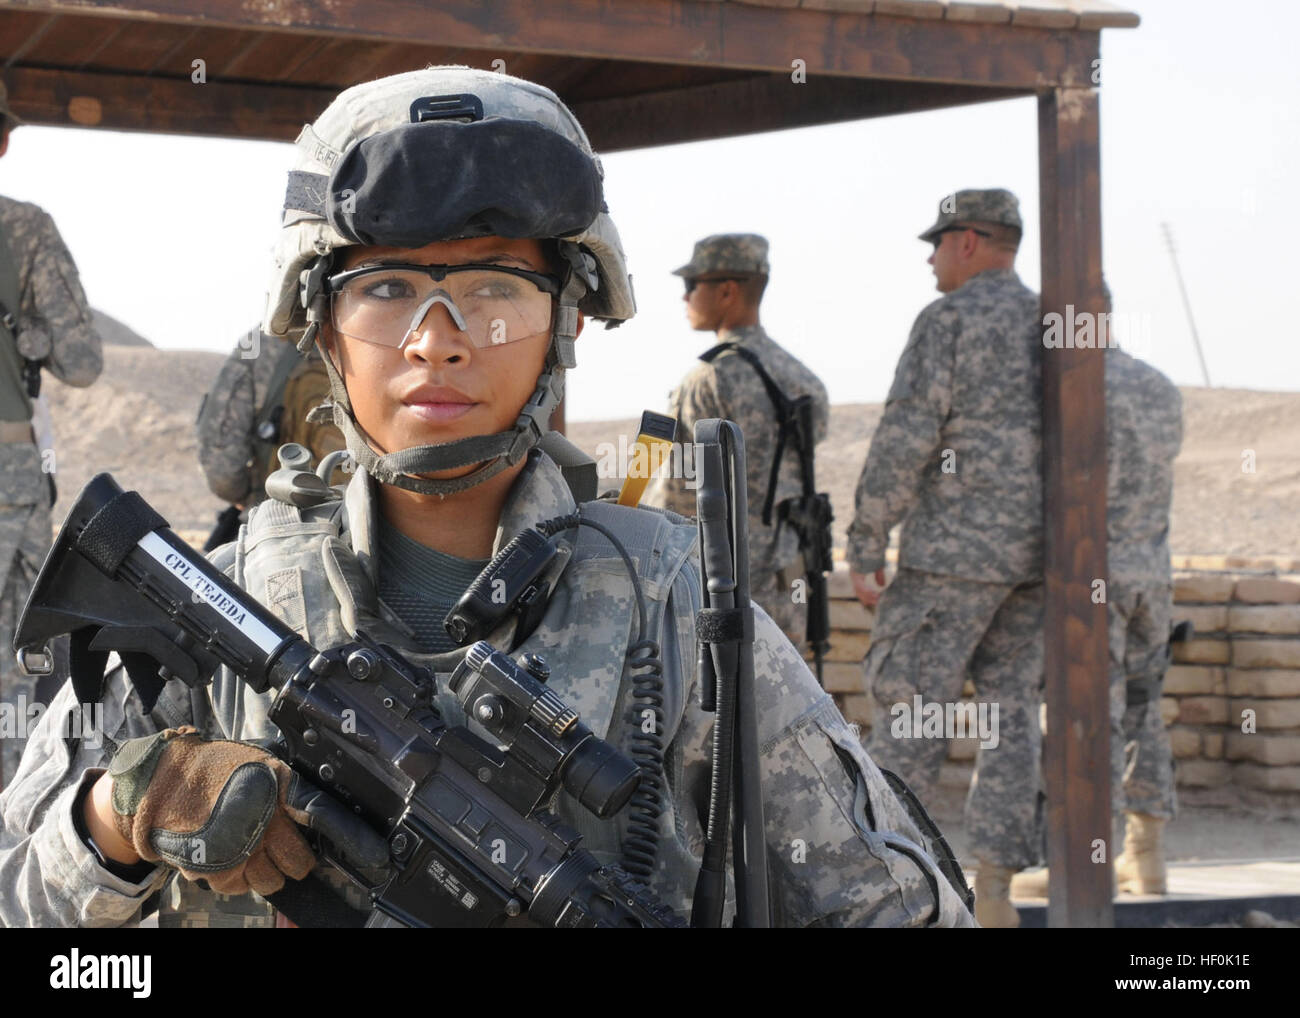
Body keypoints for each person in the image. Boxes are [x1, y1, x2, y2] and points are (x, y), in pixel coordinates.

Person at [0, 67, 975, 928]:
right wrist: (115, 818)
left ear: (567, 318)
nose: (439, 337)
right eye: (386, 289)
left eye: (495, 286)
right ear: (321, 325)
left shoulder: (679, 616)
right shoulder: (220, 606)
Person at [846, 188, 1042, 928]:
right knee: (1012, 721)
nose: (930, 259)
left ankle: (900, 889)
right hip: (1034, 566)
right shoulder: (1055, 321)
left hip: (947, 563)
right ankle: (996, 899)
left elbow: (906, 435)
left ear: (967, 241)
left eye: (937, 243)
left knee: (912, 720)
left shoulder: (949, 320)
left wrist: (866, 540)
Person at [1014, 336, 1183, 900]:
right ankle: (1149, 856)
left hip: (1095, 573)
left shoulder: (1074, 387)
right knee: (1145, 708)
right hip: (1153, 573)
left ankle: (1096, 860)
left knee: (1091, 711)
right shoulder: (1159, 385)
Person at [642, 234, 829, 652]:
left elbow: (674, 494)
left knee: (715, 711)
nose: (685, 296)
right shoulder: (803, 378)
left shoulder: (709, 378)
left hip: (722, 589)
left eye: (693, 285)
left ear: (727, 290)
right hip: (787, 581)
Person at [0, 81, 103, 790]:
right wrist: (27, 333)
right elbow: (82, 361)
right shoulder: (24, 231)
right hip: (7, 477)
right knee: (21, 669)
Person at [195, 327, 345, 510]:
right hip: (367, 515)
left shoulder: (260, 342)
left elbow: (221, 466)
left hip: (280, 517)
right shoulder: (378, 330)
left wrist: (251, 495)